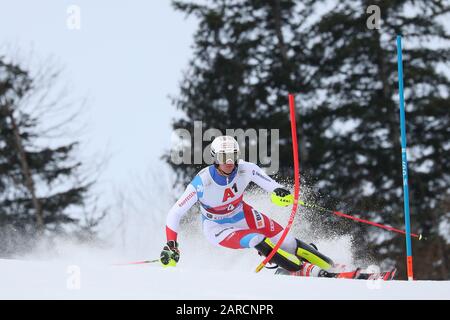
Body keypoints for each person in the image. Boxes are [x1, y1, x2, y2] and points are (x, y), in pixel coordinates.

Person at [160, 135, 335, 277]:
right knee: (256, 240)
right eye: (223, 157)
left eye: (233, 155)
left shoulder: (246, 168)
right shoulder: (202, 182)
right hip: (218, 227)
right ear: (215, 158)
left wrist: (280, 193)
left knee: (287, 242)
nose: (229, 161)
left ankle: (332, 266)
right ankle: (298, 269)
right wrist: (171, 244)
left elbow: (272, 186)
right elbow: (175, 213)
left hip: (244, 214)